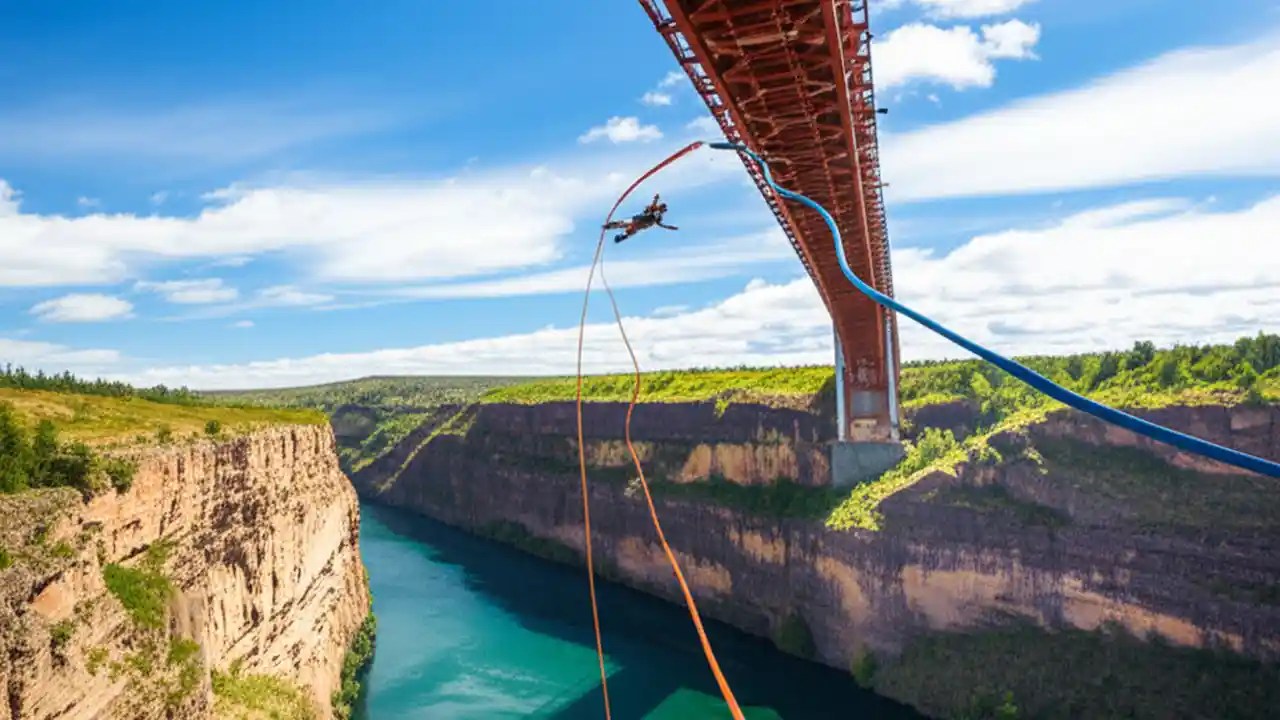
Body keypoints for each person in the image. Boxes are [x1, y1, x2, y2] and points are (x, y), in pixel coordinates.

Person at [604, 194, 678, 243]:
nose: (663, 211)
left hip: (640, 223)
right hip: (638, 220)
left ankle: (619, 234)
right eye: (662, 208)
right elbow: (653, 206)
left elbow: (660, 224)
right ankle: (612, 227)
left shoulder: (658, 216)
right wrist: (656, 199)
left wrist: (669, 227)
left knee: (629, 229)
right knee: (624, 225)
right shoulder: (655, 210)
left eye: (663, 209)